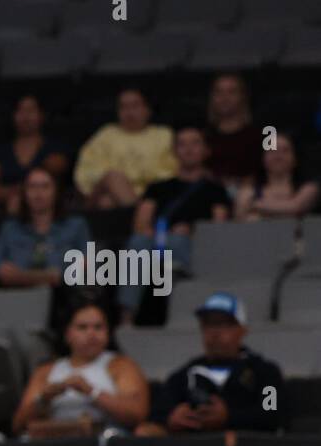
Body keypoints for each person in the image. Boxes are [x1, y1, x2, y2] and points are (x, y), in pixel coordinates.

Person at [119, 125, 231, 322]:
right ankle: (127, 319)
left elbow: (217, 228)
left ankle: (180, 316)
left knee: (177, 241)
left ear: (206, 150)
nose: (188, 149)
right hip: (156, 245)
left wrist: (193, 232)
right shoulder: (157, 188)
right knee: (137, 243)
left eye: (195, 143)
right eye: (182, 144)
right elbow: (141, 223)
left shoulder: (215, 191)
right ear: (174, 151)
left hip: (191, 246)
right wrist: (154, 233)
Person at [145, 292, 286, 436]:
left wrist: (229, 417)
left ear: (242, 330)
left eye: (223, 324)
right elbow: (155, 415)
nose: (215, 332)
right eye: (209, 324)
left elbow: (273, 414)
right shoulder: (185, 375)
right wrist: (172, 419)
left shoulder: (266, 372)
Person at [12, 295, 150, 436]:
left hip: (105, 439)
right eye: (82, 327)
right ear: (67, 334)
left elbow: (136, 414)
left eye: (98, 327)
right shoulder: (46, 371)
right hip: (53, 439)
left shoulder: (122, 366)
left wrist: (91, 391)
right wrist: (44, 398)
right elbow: (18, 424)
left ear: (108, 333)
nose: (91, 334)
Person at [0, 167, 90, 290]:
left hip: (63, 298)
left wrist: (20, 276)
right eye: (32, 187)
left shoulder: (76, 226)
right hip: (17, 297)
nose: (38, 193)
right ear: (24, 192)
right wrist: (49, 276)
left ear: (56, 191)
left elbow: (88, 268)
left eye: (45, 186)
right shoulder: (9, 229)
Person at [74, 87, 176, 209]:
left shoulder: (164, 135)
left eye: (135, 106)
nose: (129, 112)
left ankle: (138, 215)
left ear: (147, 109)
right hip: (107, 192)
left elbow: (172, 172)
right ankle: (140, 218)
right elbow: (87, 173)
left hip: (153, 196)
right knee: (112, 180)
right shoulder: (106, 134)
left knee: (107, 202)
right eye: (123, 107)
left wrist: (131, 183)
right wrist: (123, 183)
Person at [0, 94, 70, 217]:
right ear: (13, 116)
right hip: (5, 205)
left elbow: (53, 173)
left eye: (31, 110)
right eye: (20, 110)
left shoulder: (55, 148)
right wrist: (18, 192)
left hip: (46, 204)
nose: (25, 116)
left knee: (17, 201)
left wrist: (26, 193)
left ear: (42, 115)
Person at [234, 133, 319, 221]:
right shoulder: (247, 192)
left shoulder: (310, 188)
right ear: (262, 157)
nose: (278, 156)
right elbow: (240, 224)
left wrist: (255, 205)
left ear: (296, 157)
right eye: (272, 150)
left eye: (285, 150)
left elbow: (297, 207)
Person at [205, 73, 259, 190]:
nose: (225, 98)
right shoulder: (203, 135)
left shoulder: (265, 132)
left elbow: (273, 166)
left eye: (232, 92)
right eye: (219, 92)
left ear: (243, 97)